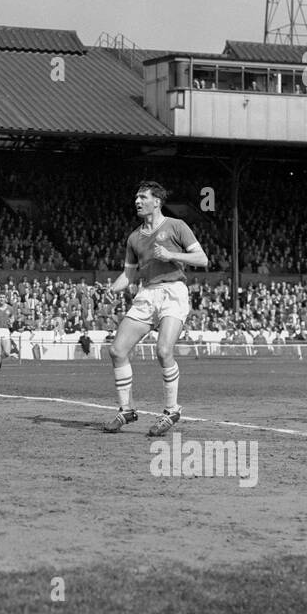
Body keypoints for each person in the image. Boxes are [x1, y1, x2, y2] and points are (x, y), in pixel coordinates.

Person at [103, 181, 208, 435]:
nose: (137, 202)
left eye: (142, 197)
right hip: (147, 293)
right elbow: (128, 275)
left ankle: (172, 410)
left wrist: (172, 255)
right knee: (117, 351)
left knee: (163, 351)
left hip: (173, 292)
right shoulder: (134, 238)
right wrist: (111, 289)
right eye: (136, 198)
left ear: (157, 201)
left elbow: (202, 259)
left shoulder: (176, 226)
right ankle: (126, 410)